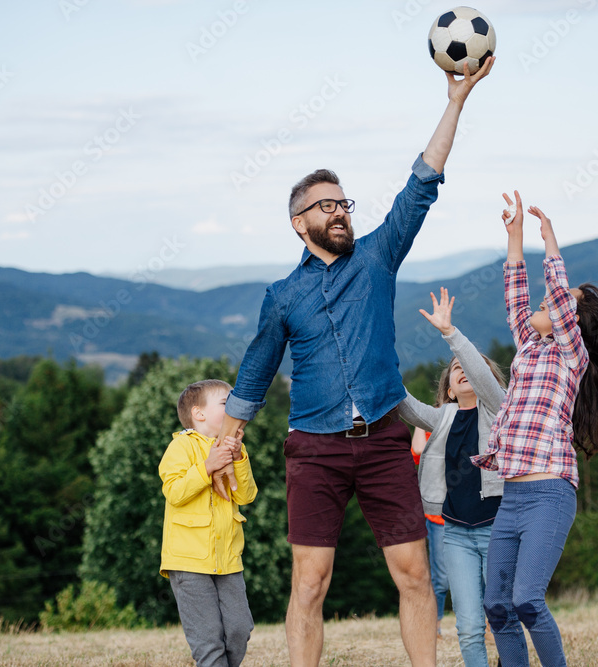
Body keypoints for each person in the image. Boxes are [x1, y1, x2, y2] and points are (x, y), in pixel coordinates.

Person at [212, 58, 495, 667]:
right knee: (309, 583)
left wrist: (456, 101)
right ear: (299, 223)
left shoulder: (377, 258)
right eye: (324, 206)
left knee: (416, 574)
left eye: (343, 202)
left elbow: (421, 184)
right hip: (313, 449)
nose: (339, 211)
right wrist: (226, 444)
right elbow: (255, 377)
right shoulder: (282, 296)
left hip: (386, 444)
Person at [472, 191, 598, 667]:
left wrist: (550, 242)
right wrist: (515, 238)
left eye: (559, 305)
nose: (543, 305)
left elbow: (558, 298)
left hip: (550, 493)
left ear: (569, 321)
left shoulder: (572, 356)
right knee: (497, 605)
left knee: (528, 600)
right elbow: (516, 294)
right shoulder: (531, 345)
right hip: (512, 495)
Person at [399, 287, 507, 667]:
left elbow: (479, 372)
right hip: (456, 532)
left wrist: (451, 335)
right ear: (447, 388)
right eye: (456, 369)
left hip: (498, 527)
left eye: (471, 366)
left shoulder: (498, 410)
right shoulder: (442, 416)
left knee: (502, 614)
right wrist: (375, 361)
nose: (463, 370)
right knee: (468, 626)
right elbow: (404, 404)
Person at [159, 379, 258, 667]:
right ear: (198, 413)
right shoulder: (180, 447)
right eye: (227, 404)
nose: (234, 410)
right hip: (188, 562)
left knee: (240, 628)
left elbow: (247, 495)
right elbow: (175, 492)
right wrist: (207, 467)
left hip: (228, 560)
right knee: (208, 637)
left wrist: (238, 459)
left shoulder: (234, 450)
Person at [411, 426, 448, 639]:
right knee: (441, 577)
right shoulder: (432, 423)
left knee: (483, 575)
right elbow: (418, 449)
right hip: (438, 516)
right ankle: (435, 626)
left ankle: (487, 626)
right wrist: (420, 422)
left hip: (471, 513)